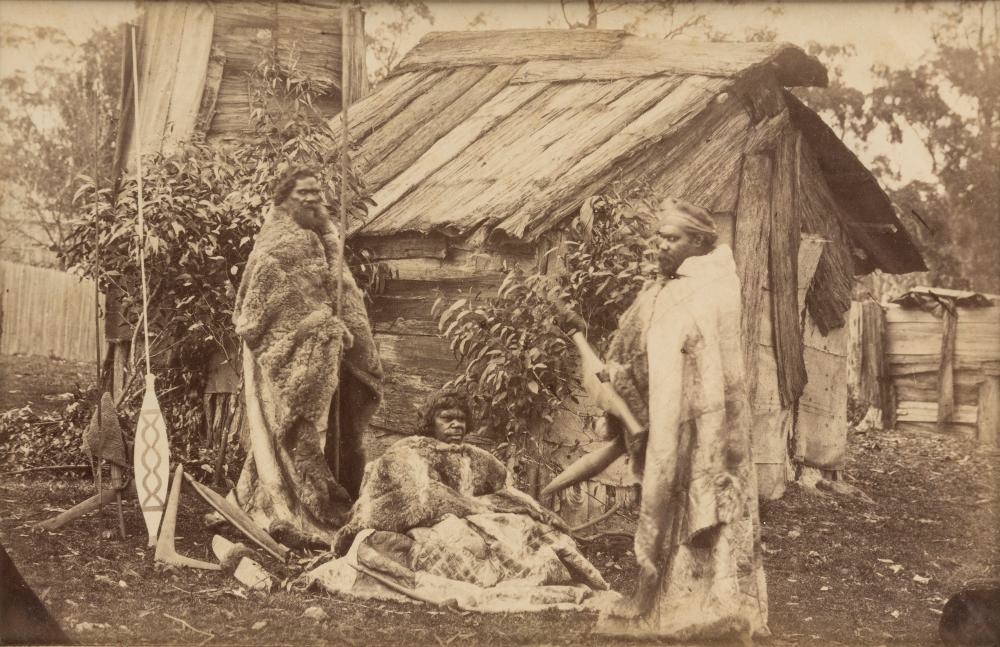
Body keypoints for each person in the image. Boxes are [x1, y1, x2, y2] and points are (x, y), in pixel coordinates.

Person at [594, 196, 769, 640]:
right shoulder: (663, 288)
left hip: (714, 428)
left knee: (714, 512)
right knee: (674, 505)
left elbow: (711, 361)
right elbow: (641, 352)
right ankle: (676, 605)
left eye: (670, 238)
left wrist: (630, 378)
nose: (659, 245)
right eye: (658, 236)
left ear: (698, 241)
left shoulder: (714, 285)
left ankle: (721, 606)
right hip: (676, 421)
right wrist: (620, 375)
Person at [231, 166, 383, 544]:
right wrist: (312, 326)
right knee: (294, 432)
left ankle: (332, 492)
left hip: (326, 353)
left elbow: (340, 292)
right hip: (283, 357)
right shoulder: (278, 243)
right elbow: (257, 310)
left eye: (317, 192)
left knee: (335, 426)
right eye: (304, 193)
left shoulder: (323, 236)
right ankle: (294, 505)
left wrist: (339, 329)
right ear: (284, 200)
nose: (314, 199)